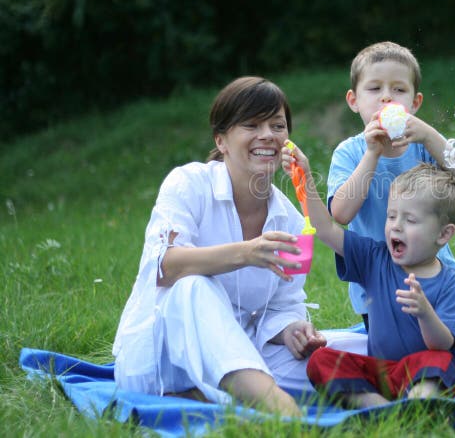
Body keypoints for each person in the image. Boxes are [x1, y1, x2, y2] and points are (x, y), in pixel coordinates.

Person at [112, 76, 366, 416]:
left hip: (244, 353)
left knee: (356, 348)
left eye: (277, 125)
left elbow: (284, 304)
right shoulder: (188, 184)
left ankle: (413, 384)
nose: (267, 135)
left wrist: (293, 330)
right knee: (193, 286)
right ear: (222, 140)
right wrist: (245, 253)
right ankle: (280, 409)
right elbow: (164, 266)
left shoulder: (289, 218)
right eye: (251, 124)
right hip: (164, 357)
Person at [326, 41, 455, 381]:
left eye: (399, 89)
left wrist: (429, 135)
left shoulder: (425, 146)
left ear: (414, 103)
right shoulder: (349, 153)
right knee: (399, 361)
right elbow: (340, 213)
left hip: (436, 276)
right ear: (353, 100)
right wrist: (371, 154)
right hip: (377, 283)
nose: (387, 98)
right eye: (374, 88)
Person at [283, 143, 455, 408]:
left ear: (443, 234)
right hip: (379, 371)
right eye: (392, 216)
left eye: (410, 220)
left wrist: (425, 312)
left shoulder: (451, 282)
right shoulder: (374, 258)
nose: (396, 225)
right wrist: (305, 175)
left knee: (441, 361)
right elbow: (325, 229)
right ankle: (378, 406)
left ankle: (417, 403)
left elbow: (443, 344)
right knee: (321, 361)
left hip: (421, 370)